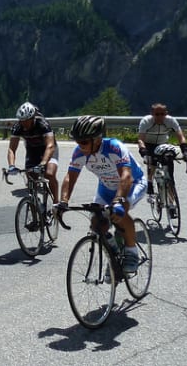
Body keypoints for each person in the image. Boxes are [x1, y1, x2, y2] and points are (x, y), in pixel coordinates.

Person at [57, 115, 146, 274]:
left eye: (83, 141)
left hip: (132, 183)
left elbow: (126, 175)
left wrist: (118, 200)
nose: (80, 145)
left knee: (121, 212)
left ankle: (132, 252)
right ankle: (113, 251)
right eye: (77, 141)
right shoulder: (79, 152)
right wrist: (63, 202)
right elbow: (70, 177)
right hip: (106, 187)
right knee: (97, 222)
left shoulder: (114, 147)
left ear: (97, 139)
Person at [6, 102, 59, 201]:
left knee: (49, 173)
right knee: (30, 175)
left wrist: (43, 163)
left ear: (32, 118)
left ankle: (56, 203)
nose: (24, 123)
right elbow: (11, 149)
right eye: (21, 120)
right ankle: (33, 203)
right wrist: (11, 166)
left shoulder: (42, 124)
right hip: (32, 149)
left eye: (26, 121)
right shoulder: (17, 127)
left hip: (49, 148)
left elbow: (50, 145)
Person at [137, 103, 187, 180]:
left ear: (166, 113)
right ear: (152, 114)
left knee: (169, 160)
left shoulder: (171, 120)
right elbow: (141, 139)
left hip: (163, 144)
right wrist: (144, 153)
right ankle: (150, 181)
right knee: (152, 162)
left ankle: (171, 185)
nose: (160, 117)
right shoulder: (146, 121)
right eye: (157, 114)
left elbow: (181, 136)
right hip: (149, 144)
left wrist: (185, 151)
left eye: (162, 114)